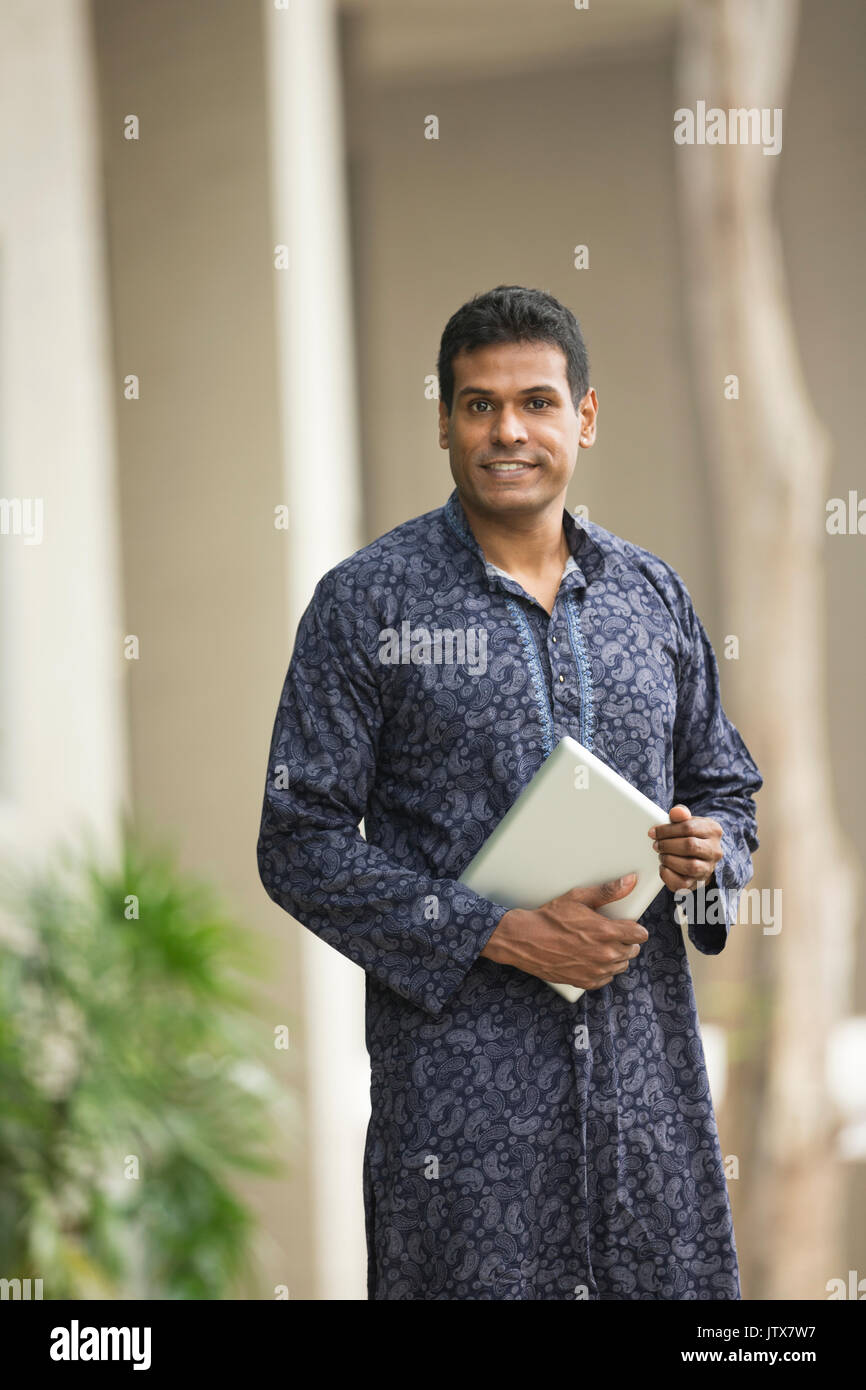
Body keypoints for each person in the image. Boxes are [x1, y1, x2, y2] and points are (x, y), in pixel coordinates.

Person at [256, 285, 763, 1300]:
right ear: (441, 422)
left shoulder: (648, 595)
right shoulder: (367, 604)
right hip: (462, 1124)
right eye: (477, 405)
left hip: (643, 1108)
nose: (506, 431)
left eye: (534, 401)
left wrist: (706, 853)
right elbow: (297, 838)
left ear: (582, 415)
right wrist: (491, 929)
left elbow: (724, 786)